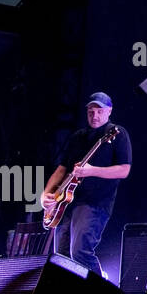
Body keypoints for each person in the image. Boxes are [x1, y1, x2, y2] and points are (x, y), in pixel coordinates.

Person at [41, 92, 132, 276]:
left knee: (79, 253)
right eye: (91, 111)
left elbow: (124, 170)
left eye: (99, 111)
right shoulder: (78, 137)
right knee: (62, 258)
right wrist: (45, 195)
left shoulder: (117, 134)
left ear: (109, 111)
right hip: (66, 202)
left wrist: (91, 171)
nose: (95, 116)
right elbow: (61, 170)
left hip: (94, 203)